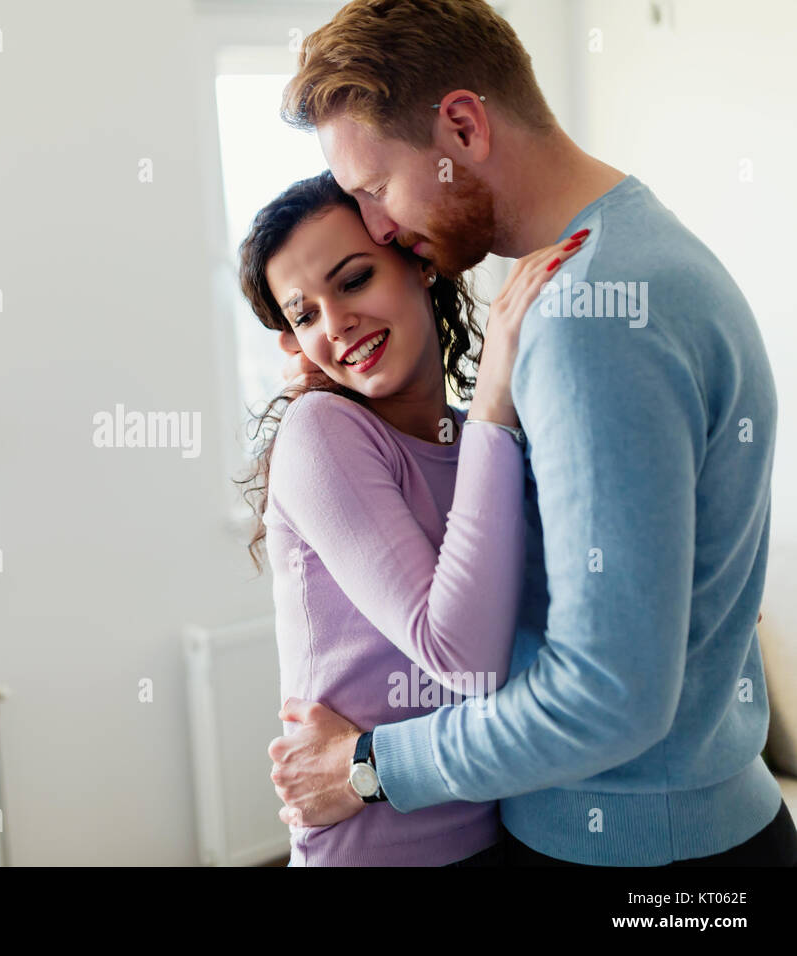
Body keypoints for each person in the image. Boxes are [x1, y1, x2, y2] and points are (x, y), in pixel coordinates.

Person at [267, 0, 797, 866]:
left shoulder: (590, 315)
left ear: (465, 126)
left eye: (375, 189)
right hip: (689, 825)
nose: (378, 226)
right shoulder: (630, 254)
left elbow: (608, 699)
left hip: (634, 856)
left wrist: (369, 767)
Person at [238, 170, 584, 864]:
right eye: (305, 315)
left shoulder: (479, 442)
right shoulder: (323, 431)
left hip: (502, 830)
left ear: (419, 264)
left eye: (354, 280)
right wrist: (493, 396)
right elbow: (466, 658)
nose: (335, 325)